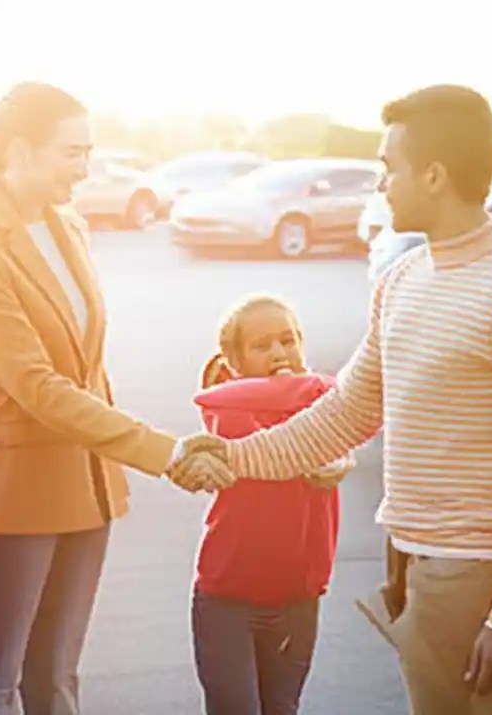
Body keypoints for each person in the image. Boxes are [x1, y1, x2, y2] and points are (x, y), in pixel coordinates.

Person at [189, 84, 492, 714]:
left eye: (387, 167)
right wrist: (229, 456)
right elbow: (343, 414)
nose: (379, 184)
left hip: (476, 576)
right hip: (412, 566)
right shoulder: (402, 279)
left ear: (433, 174)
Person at [0, 81, 230, 715]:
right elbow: (38, 387)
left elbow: (88, 365)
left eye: (88, 151)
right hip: (14, 496)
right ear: (19, 150)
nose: (85, 167)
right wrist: (165, 451)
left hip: (87, 487)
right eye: (71, 152)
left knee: (56, 682)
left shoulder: (68, 226)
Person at [189, 294, 354, 714]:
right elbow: (281, 446)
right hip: (229, 604)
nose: (280, 353)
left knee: (282, 708)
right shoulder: (225, 409)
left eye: (288, 340)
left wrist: (342, 451)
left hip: (298, 600)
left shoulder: (323, 403)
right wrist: (331, 432)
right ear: (234, 362)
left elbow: (339, 435)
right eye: (262, 346)